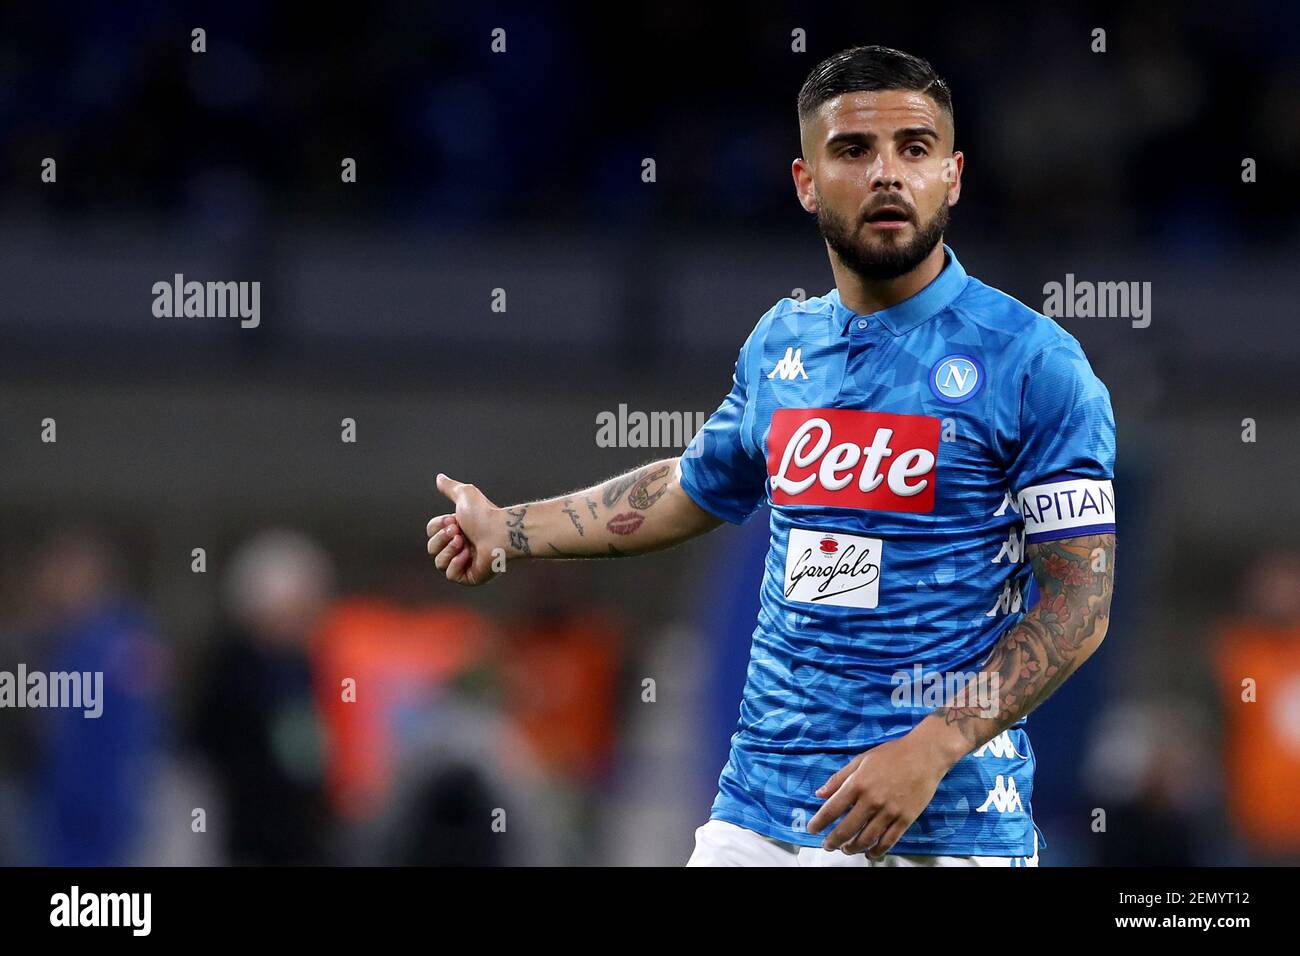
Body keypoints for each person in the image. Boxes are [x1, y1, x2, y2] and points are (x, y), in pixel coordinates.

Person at [426, 46, 1116, 867]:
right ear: (805, 181)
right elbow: (688, 488)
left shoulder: (1035, 363)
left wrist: (930, 748)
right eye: (854, 151)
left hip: (946, 827)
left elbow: (1079, 604)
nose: (888, 173)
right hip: (758, 819)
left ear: (953, 176)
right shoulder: (782, 343)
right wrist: (509, 527)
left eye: (915, 148)